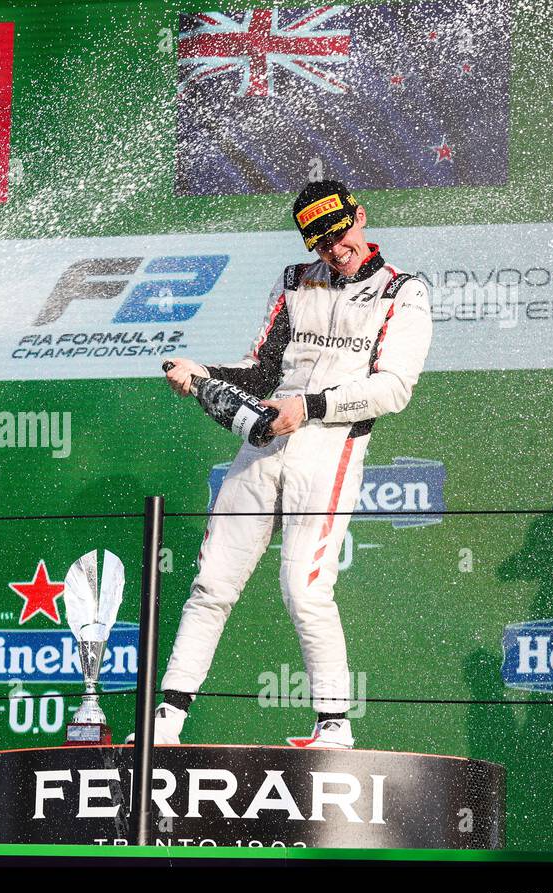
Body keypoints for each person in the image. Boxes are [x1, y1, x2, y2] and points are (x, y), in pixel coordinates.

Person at [155, 180, 432, 749]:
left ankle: (333, 726)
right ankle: (167, 719)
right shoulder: (293, 281)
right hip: (262, 445)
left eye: (340, 234)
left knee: (304, 590)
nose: (333, 249)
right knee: (211, 583)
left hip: (330, 447)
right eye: (320, 243)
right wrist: (202, 372)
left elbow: (394, 389)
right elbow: (261, 373)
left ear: (360, 215)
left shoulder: (403, 292)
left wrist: (308, 407)